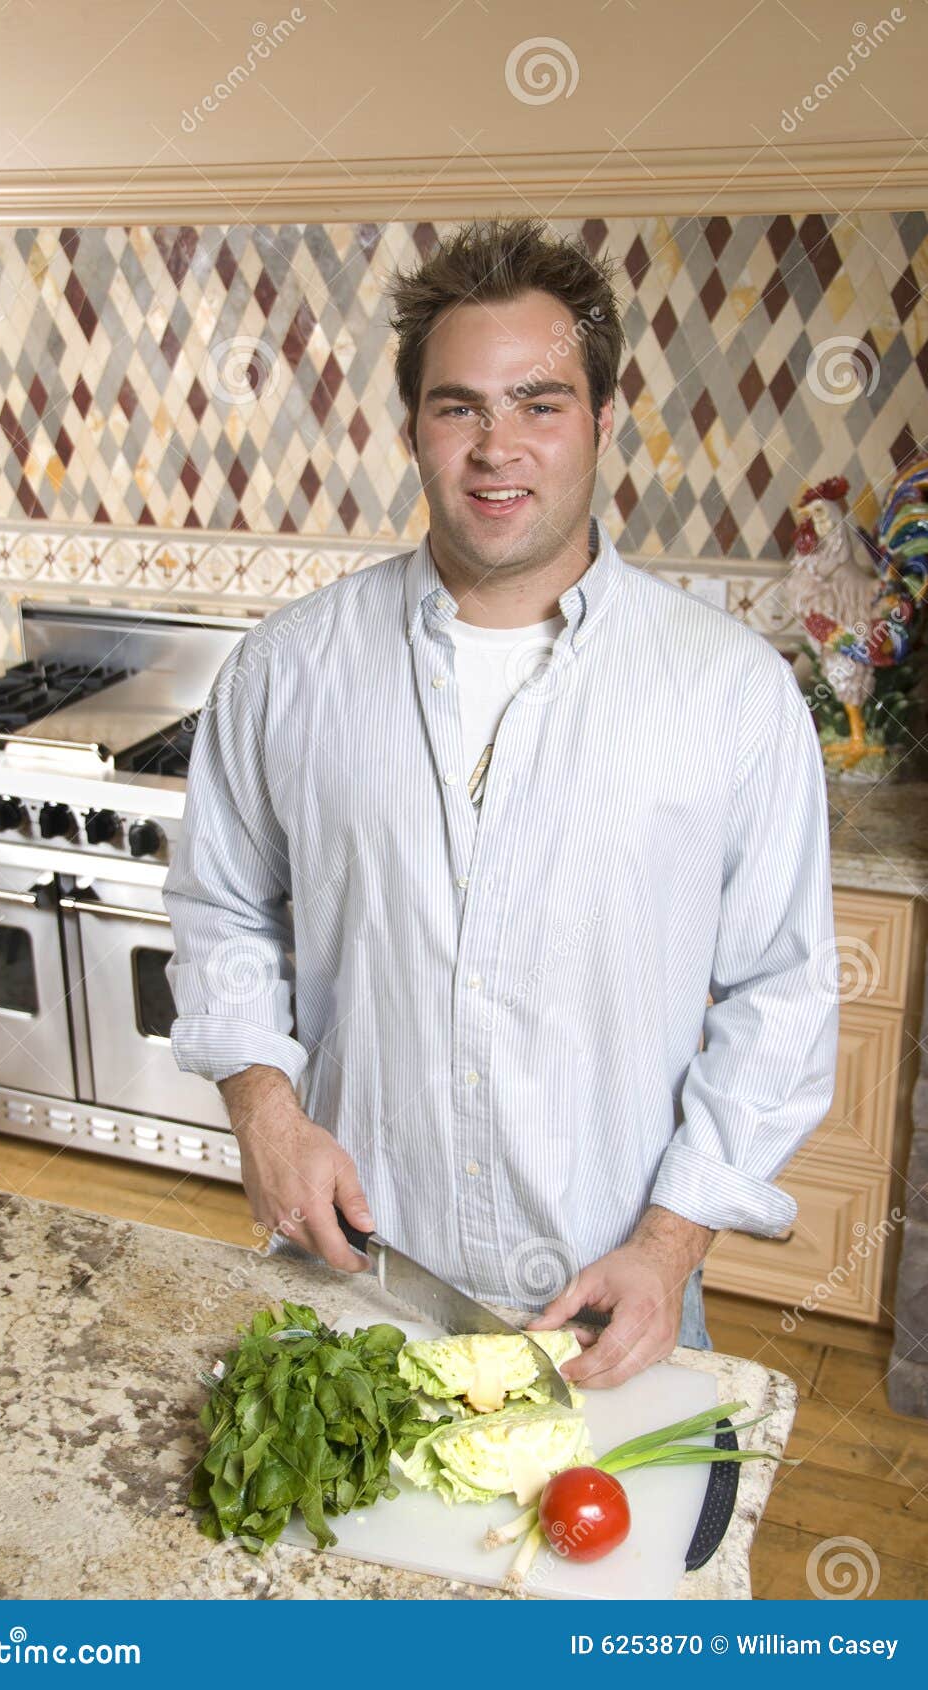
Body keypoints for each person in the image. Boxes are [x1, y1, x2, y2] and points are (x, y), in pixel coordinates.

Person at [163, 217, 840, 1388]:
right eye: (458, 406)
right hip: (359, 1281)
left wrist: (671, 1244)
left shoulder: (730, 691)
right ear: (413, 427)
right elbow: (224, 911)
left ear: (601, 423)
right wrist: (266, 1116)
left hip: (610, 1309)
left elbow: (783, 995)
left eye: (539, 402)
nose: (497, 448)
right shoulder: (288, 670)